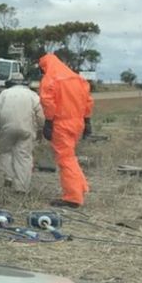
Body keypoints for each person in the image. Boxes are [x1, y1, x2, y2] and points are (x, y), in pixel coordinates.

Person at [37, 52, 93, 208]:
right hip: (77, 123)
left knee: (65, 159)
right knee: (70, 156)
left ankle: (73, 197)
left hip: (61, 124)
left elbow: (47, 102)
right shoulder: (77, 78)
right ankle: (80, 187)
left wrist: (48, 122)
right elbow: (88, 101)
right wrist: (87, 121)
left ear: (44, 66)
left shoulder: (50, 78)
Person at [0, 73, 44, 192]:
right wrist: (40, 129)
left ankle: (8, 177)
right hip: (27, 129)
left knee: (5, 152)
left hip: (7, 128)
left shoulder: (5, 93)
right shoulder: (32, 95)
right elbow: (40, 115)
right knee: (24, 156)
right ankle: (21, 188)